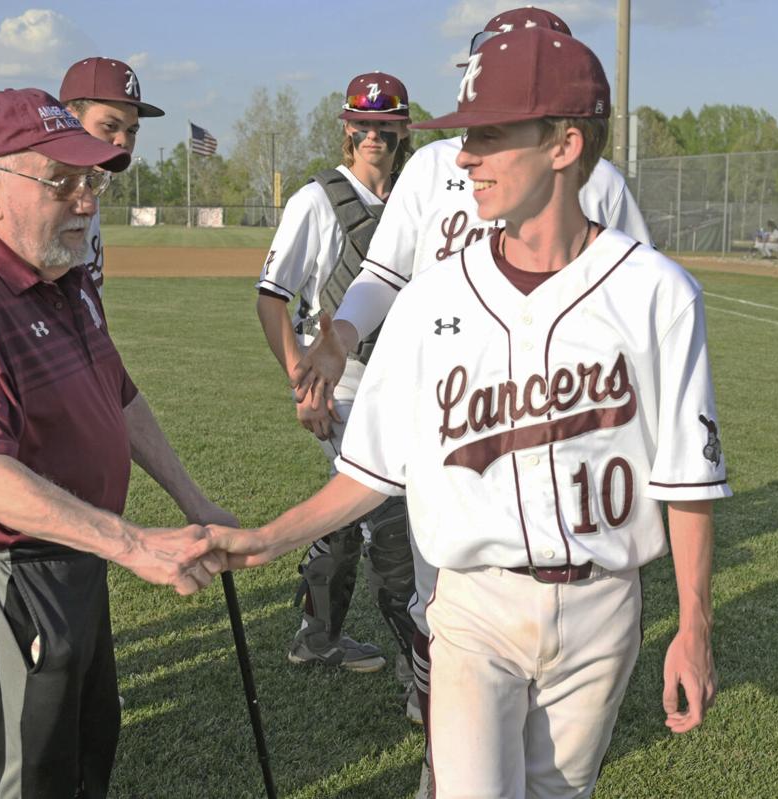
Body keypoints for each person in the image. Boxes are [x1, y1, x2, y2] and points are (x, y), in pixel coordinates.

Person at [198, 26, 728, 798]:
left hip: (604, 607)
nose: (463, 155)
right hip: (473, 601)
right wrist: (265, 539)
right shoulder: (432, 297)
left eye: (488, 134)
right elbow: (371, 470)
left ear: (564, 144)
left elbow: (688, 476)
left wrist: (695, 625)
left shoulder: (657, 294)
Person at [290, 10, 654, 795]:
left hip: (551, 424)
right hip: (449, 418)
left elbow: (636, 310)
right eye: (485, 61)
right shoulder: (431, 172)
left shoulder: (602, 185)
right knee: (442, 601)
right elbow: (384, 273)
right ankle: (449, 755)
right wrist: (337, 336)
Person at [0, 88, 233, 797]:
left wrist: (194, 501)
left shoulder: (61, 271)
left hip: (71, 550)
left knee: (84, 746)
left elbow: (118, 392)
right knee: (31, 770)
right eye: (64, 181)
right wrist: (135, 544)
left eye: (93, 181)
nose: (87, 202)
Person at [255, 71, 419, 683]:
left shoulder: (415, 199)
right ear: (346, 127)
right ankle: (420, 667)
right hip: (345, 382)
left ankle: (317, 637)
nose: (373, 134)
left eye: (385, 124)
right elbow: (273, 299)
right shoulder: (317, 200)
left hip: (407, 382)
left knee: (349, 515)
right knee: (392, 519)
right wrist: (304, 382)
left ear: (401, 128)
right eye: (362, 123)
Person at [59, 56, 164, 296]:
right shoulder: (41, 196)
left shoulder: (89, 188)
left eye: (132, 130)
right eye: (109, 126)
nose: (123, 141)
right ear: (69, 120)